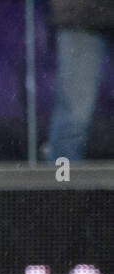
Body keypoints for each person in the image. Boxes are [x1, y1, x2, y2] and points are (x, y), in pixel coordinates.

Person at [46, 0, 114, 163]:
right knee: (73, 120)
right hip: (80, 15)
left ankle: (61, 182)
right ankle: (62, 185)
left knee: (73, 120)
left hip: (78, 14)